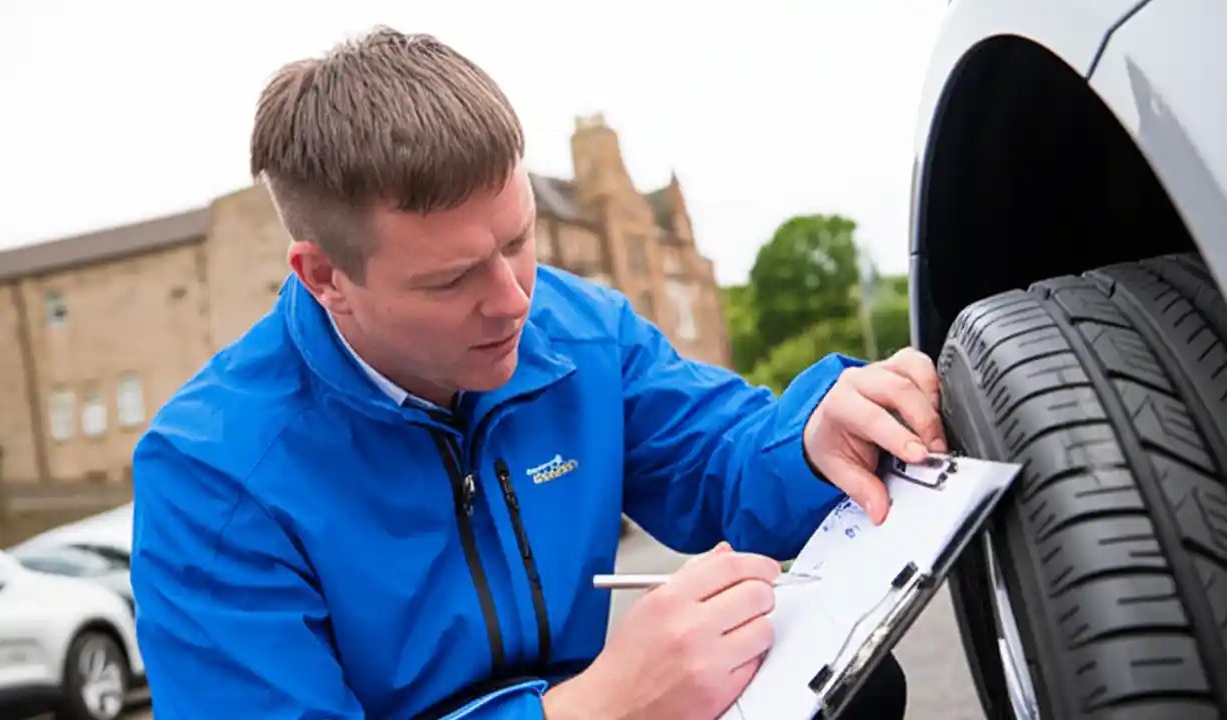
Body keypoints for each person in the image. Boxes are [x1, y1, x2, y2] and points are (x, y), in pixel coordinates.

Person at [129, 26, 944, 720]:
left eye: (518, 240)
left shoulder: (578, 332)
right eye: (452, 279)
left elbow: (720, 460)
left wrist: (810, 437)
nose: (514, 301)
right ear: (324, 276)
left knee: (857, 685)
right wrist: (602, 704)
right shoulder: (212, 480)